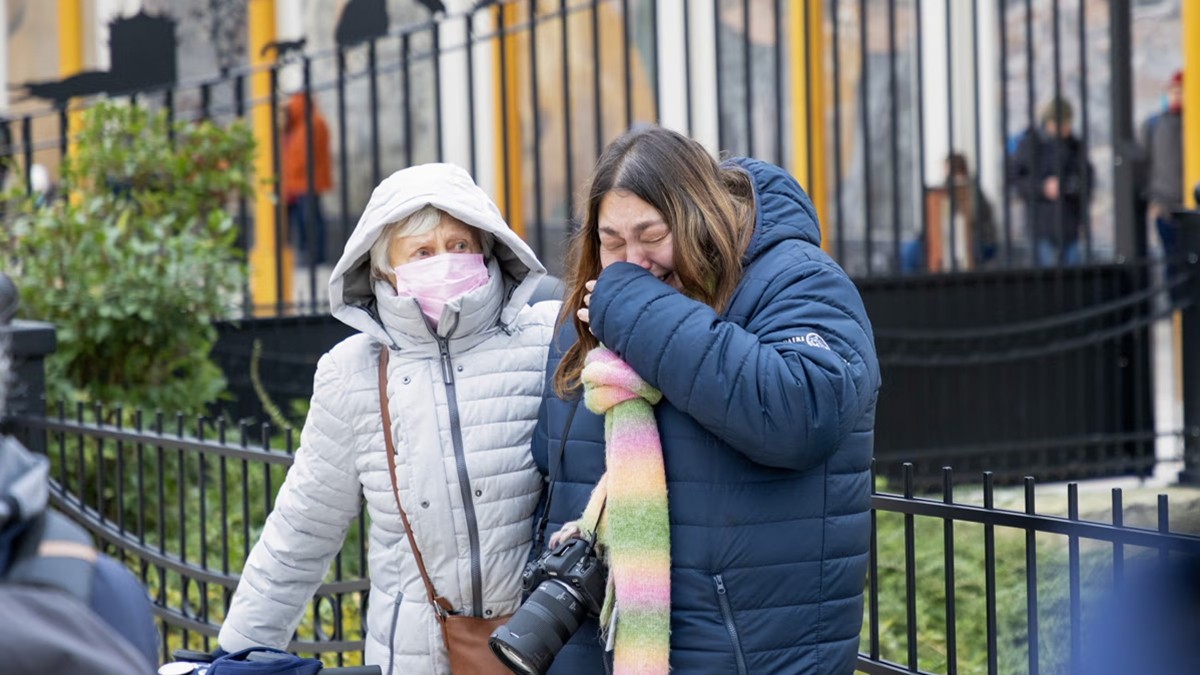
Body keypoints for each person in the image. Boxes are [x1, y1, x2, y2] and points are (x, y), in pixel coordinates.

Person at [529, 126, 881, 674]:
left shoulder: (797, 280)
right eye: (612, 241)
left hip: (744, 653)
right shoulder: (588, 312)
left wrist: (631, 308)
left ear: (700, 217)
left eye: (652, 235)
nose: (631, 261)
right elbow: (558, 477)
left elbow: (801, 412)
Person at [218, 163, 560, 674]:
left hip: (547, 645)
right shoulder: (350, 373)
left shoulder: (545, 338)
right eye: (422, 252)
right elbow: (303, 526)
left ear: (487, 249)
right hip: (413, 655)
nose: (445, 260)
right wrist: (238, 652)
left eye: (460, 244)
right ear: (383, 271)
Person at [1011, 97, 1093, 267]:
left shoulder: (1075, 146)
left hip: (1069, 223)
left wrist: (1072, 187)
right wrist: (1042, 188)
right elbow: (1018, 181)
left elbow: (1087, 179)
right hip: (1042, 225)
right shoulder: (1031, 144)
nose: (1067, 127)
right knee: (1046, 277)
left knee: (1072, 279)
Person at [901, 152, 997, 273]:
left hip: (977, 240)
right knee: (909, 252)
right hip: (945, 238)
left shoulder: (973, 190)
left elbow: (973, 219)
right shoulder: (941, 191)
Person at [283, 91, 333, 266]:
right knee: (305, 221)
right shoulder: (299, 125)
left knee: (310, 221)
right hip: (299, 183)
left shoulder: (312, 123)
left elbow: (300, 157)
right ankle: (310, 255)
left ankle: (315, 256)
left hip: (306, 183)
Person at [1140, 71, 1184, 263]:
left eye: (1182, 91)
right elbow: (1145, 164)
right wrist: (1153, 199)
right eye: (1174, 91)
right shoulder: (1154, 125)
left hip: (1191, 204)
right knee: (1172, 261)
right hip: (1165, 205)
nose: (1177, 96)